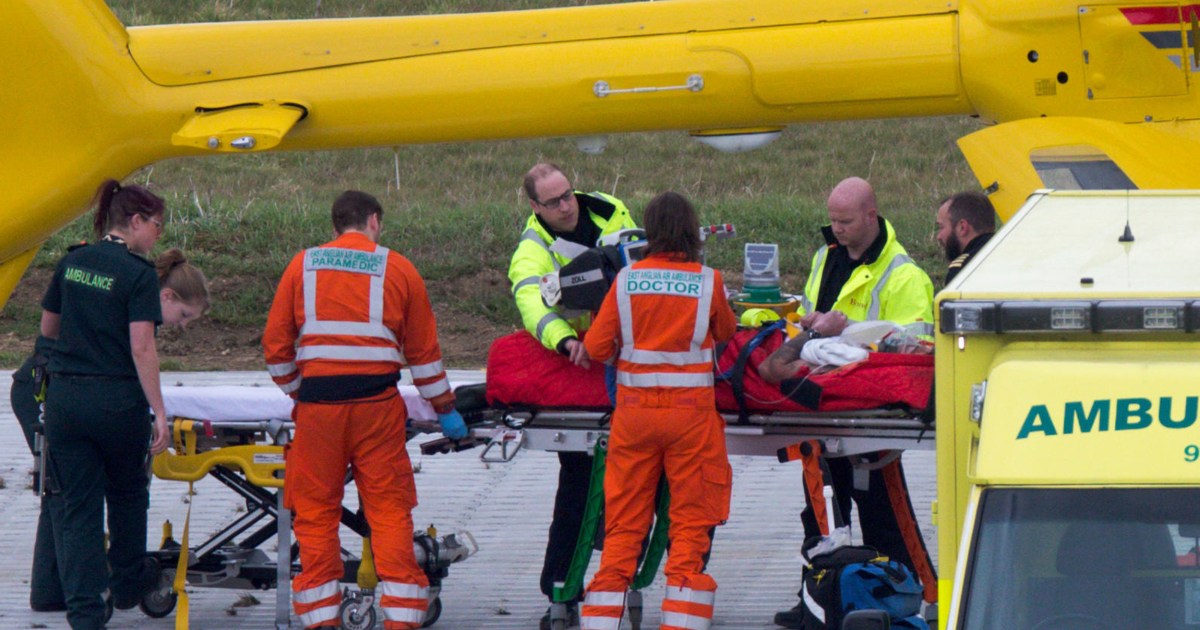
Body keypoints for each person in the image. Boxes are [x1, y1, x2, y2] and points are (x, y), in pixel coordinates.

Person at [263, 190, 466, 630]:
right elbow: (424, 356)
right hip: (377, 409)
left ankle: (322, 621)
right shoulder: (399, 268)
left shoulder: (302, 265)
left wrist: (301, 391)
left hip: (319, 410)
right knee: (389, 511)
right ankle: (401, 620)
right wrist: (445, 407)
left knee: (316, 513)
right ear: (374, 221)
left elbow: (276, 348)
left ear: (335, 226)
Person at [38, 180, 206, 629]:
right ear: (135, 221)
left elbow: (48, 328)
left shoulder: (72, 262)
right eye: (157, 225)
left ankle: (86, 614)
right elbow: (142, 347)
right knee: (128, 495)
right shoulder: (138, 274)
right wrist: (160, 412)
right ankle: (129, 582)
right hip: (116, 402)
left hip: (66, 402)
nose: (158, 234)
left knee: (78, 509)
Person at [772, 177, 937, 629]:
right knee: (821, 513)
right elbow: (807, 317)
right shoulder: (825, 257)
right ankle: (817, 600)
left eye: (845, 221)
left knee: (883, 513)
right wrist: (810, 328)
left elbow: (917, 348)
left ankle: (907, 597)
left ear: (871, 215)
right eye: (832, 220)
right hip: (821, 402)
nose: (837, 229)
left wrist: (842, 333)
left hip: (872, 415)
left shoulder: (904, 275)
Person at [578, 191, 737, 630]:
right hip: (691, 420)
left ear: (649, 231)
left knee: (624, 524)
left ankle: (601, 619)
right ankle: (681, 620)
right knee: (690, 523)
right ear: (691, 231)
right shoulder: (708, 281)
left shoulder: (627, 280)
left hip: (635, 418)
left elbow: (596, 347)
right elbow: (726, 330)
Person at [508, 163, 637, 627]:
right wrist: (565, 340)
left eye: (568, 195)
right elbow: (532, 304)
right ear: (534, 206)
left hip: (628, 354)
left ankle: (624, 576)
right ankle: (561, 586)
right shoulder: (533, 250)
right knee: (579, 484)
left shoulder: (609, 209)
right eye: (554, 202)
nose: (567, 206)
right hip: (581, 364)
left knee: (636, 489)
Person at [935, 190, 996, 285]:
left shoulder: (963, 273)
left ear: (962, 227)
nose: (938, 236)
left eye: (941, 227)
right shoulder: (1013, 256)